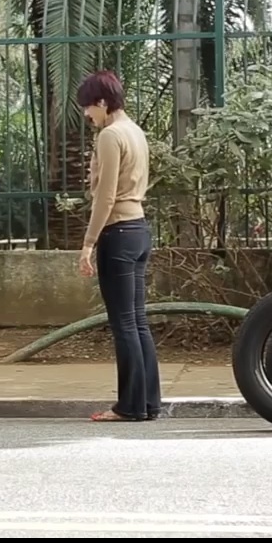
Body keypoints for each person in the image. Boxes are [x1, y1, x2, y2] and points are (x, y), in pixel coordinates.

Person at [76, 70, 161, 422]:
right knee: (137, 322)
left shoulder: (111, 135)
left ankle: (128, 406)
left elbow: (105, 196)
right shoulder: (135, 132)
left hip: (118, 233)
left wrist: (88, 243)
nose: (86, 115)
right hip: (139, 228)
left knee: (124, 324)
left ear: (102, 102)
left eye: (88, 107)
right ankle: (148, 403)